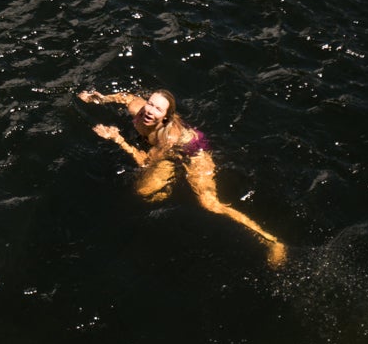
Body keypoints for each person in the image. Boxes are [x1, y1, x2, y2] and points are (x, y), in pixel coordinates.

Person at [79, 88, 287, 267]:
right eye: (150, 104)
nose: (149, 110)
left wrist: (117, 139)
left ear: (166, 117)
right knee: (143, 192)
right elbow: (125, 97)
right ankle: (169, 182)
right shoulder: (139, 109)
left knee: (209, 203)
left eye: (158, 109)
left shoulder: (167, 138)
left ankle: (272, 241)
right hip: (164, 151)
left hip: (192, 151)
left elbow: (145, 162)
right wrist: (99, 98)